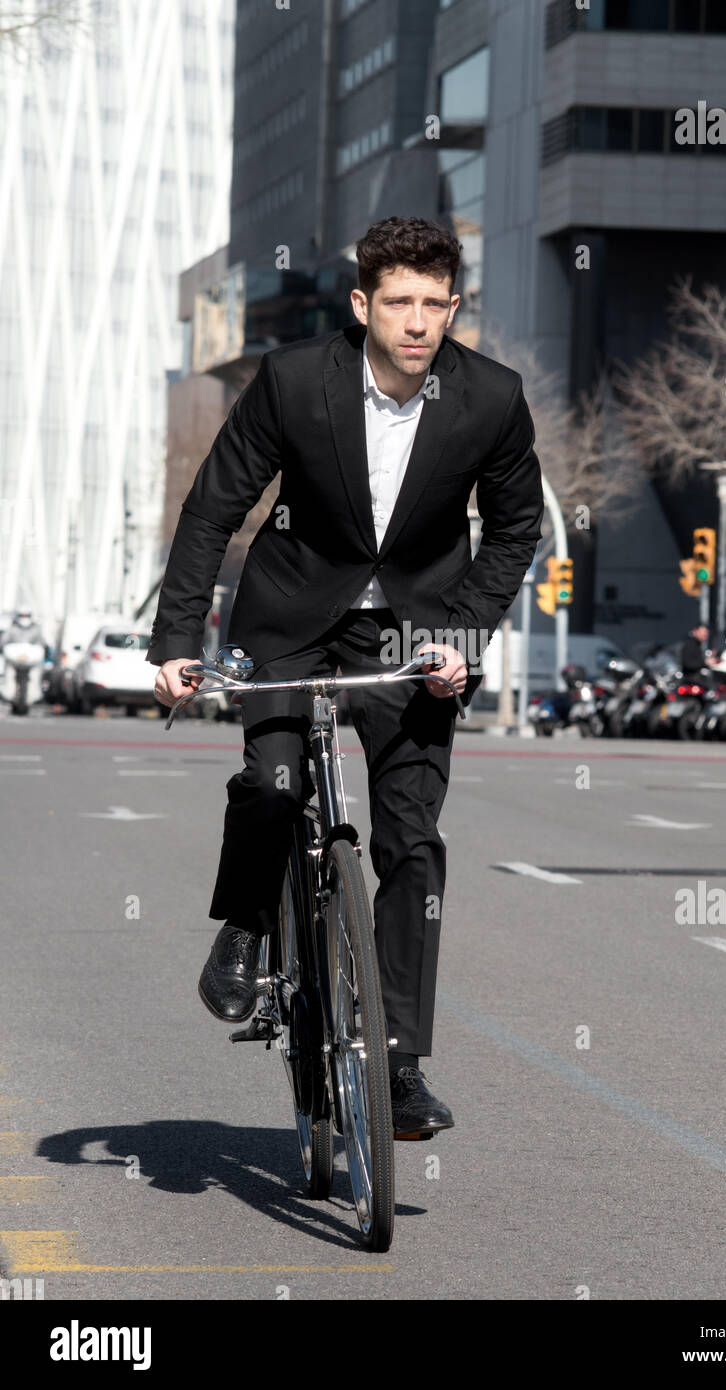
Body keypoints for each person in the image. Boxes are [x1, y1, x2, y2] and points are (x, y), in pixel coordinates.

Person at [147, 216, 544, 1138]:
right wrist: (176, 642)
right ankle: (246, 924)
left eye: (433, 304)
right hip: (288, 621)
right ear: (362, 304)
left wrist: (463, 633)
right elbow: (213, 509)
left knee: (411, 839)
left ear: (454, 308)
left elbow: (515, 527)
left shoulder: (490, 398)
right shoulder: (292, 380)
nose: (416, 322)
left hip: (415, 633)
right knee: (273, 786)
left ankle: (398, 1064)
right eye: (397, 302)